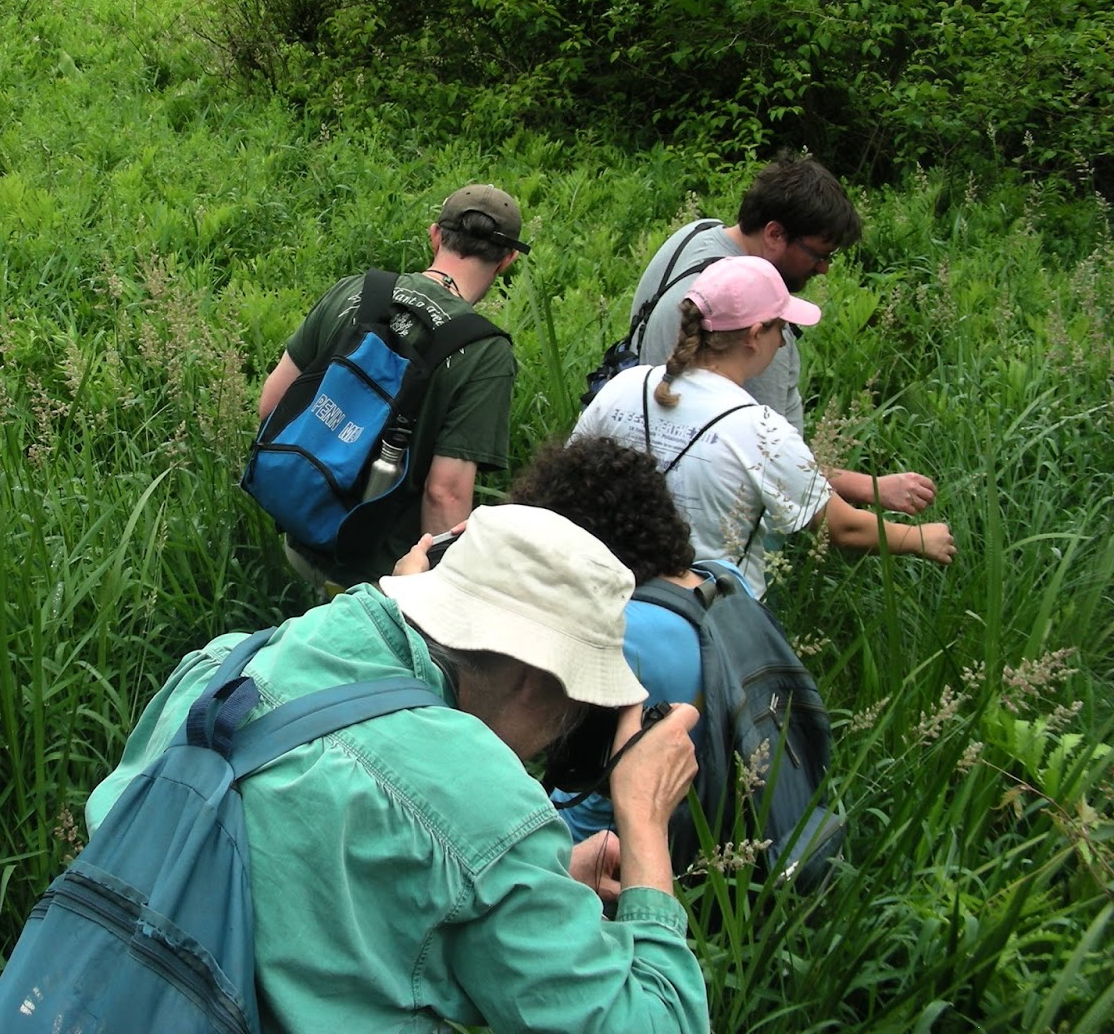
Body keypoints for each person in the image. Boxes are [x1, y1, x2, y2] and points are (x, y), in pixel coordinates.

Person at [87, 505, 710, 1033]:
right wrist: (644, 821)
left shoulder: (230, 663)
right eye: (576, 706)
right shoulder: (482, 805)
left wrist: (530, 880)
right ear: (531, 679)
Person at [575, 256, 956, 599]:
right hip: (706, 622)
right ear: (756, 336)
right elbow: (840, 528)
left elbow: (571, 478)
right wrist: (921, 538)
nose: (783, 341)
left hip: (605, 595)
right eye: (783, 329)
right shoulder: (760, 429)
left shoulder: (625, 385)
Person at [629, 155, 936, 516]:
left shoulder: (695, 233)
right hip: (701, 509)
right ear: (774, 233)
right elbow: (772, 467)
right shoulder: (752, 329)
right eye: (818, 254)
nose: (824, 268)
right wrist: (872, 488)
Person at [255, 184, 525, 589]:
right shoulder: (484, 352)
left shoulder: (356, 289)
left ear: (435, 235)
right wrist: (435, 600)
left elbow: (272, 404)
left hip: (300, 536)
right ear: (507, 259)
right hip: (377, 580)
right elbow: (445, 494)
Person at [505, 436, 747, 850]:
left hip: (621, 838)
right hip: (725, 797)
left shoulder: (619, 630)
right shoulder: (722, 578)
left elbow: (519, 733)